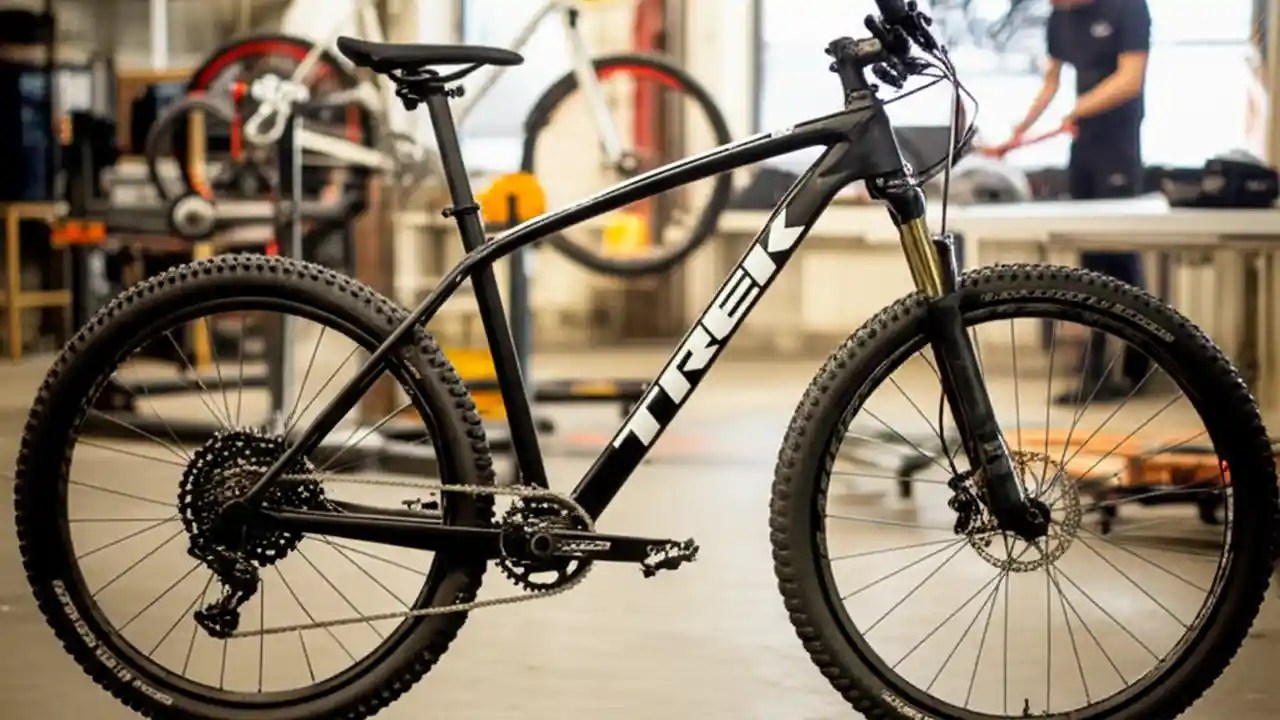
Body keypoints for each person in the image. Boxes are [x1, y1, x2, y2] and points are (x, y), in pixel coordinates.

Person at [1001, 0, 1153, 402]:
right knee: (1089, 265)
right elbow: (1051, 82)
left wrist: (1079, 108)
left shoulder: (1129, 8)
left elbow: (1130, 78)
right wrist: (1018, 132)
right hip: (1082, 148)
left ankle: (1137, 368)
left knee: (1120, 262)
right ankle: (1096, 373)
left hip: (1119, 148)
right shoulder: (1060, 17)